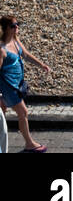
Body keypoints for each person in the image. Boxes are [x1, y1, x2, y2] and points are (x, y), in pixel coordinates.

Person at [1, 15, 51, 152]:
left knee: (2, 114)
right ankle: (29, 144)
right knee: (23, 112)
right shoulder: (2, 49)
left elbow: (26, 55)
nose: (17, 27)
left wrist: (42, 65)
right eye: (13, 25)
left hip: (17, 84)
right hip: (8, 87)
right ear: (6, 29)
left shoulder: (15, 41)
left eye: (18, 24)